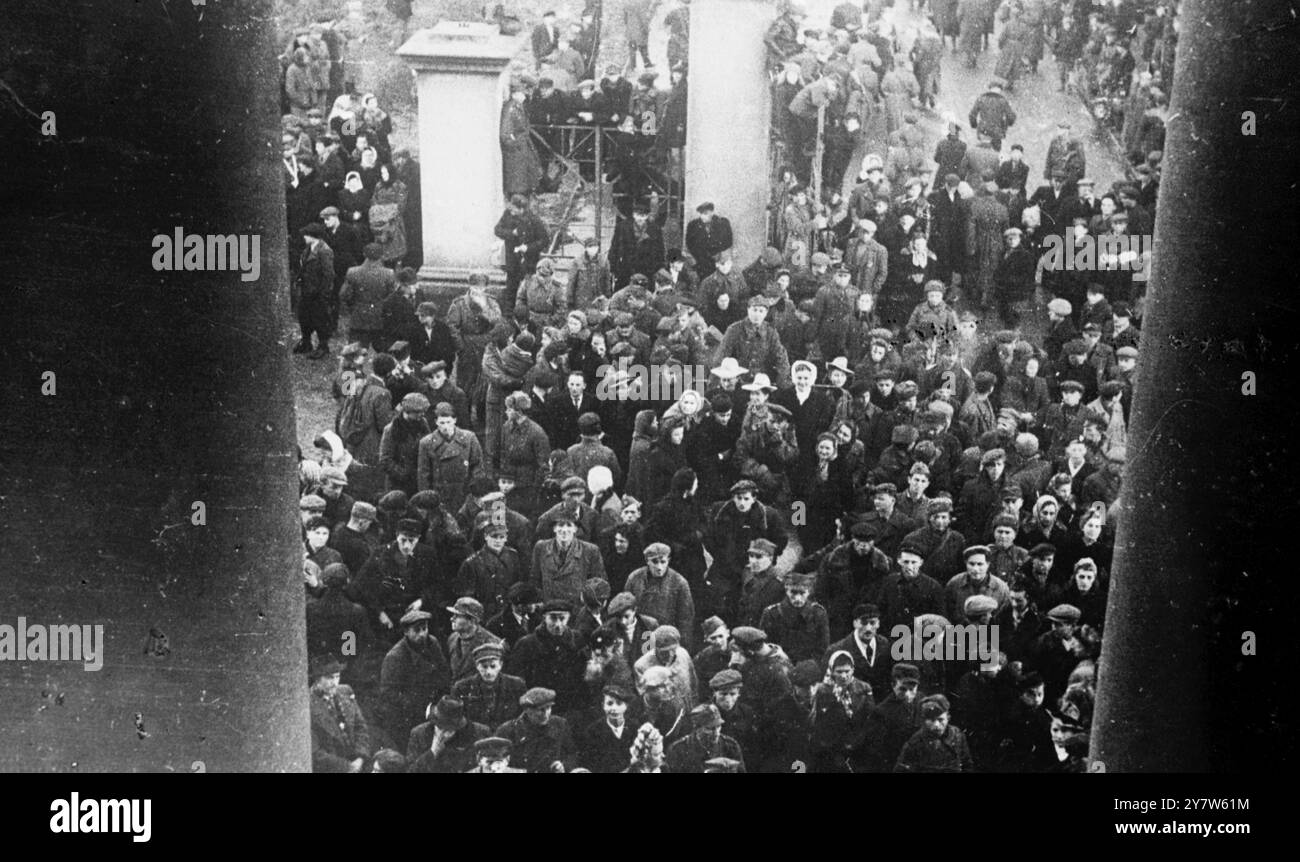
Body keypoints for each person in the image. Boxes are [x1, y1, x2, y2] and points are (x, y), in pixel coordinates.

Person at [309, 655, 372, 773]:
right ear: (317, 679)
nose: (334, 683)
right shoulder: (307, 705)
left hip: (357, 764)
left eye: (337, 677)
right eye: (329, 678)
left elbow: (360, 727)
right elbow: (314, 752)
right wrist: (346, 767)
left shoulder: (346, 691)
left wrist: (360, 758)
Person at [893, 694, 974, 772]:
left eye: (940, 719)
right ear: (923, 720)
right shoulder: (914, 744)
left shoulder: (957, 735)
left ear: (948, 718)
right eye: (931, 720)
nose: (936, 725)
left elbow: (967, 765)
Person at [501, 79, 541, 197]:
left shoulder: (518, 106)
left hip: (522, 150)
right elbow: (505, 134)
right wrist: (517, 146)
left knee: (524, 183)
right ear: (515, 94)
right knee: (517, 186)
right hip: (516, 154)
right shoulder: (511, 108)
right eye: (522, 93)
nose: (525, 95)